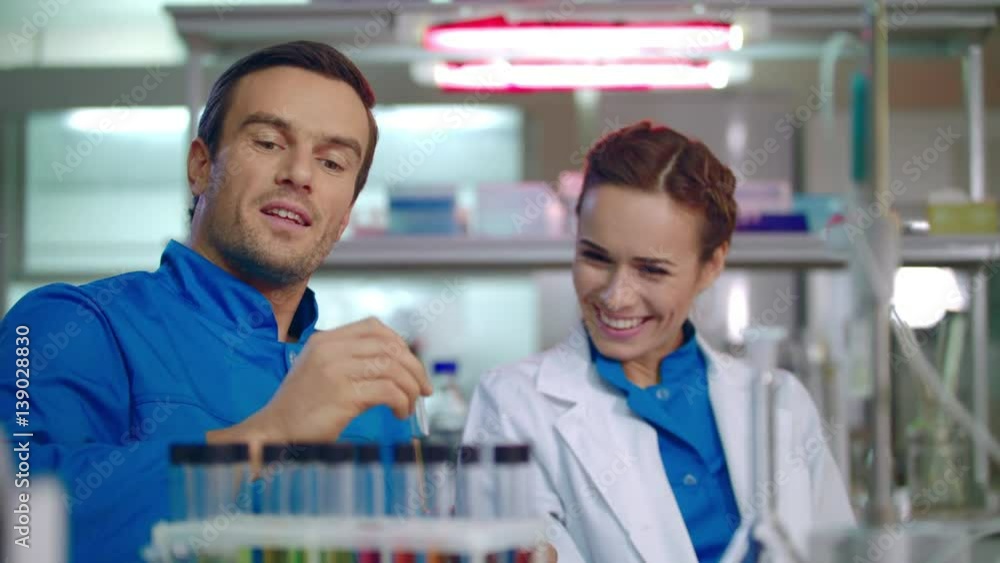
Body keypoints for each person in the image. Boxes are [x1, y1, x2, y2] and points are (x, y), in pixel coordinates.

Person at [0, 41, 432, 563]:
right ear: (202, 166)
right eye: (269, 142)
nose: (300, 174)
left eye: (333, 162)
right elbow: (19, 525)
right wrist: (265, 434)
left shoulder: (372, 390)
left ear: (345, 216)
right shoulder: (65, 326)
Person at [461, 121, 855, 563]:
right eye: (595, 257)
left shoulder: (780, 402)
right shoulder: (515, 405)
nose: (616, 295)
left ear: (711, 265)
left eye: (651, 269)